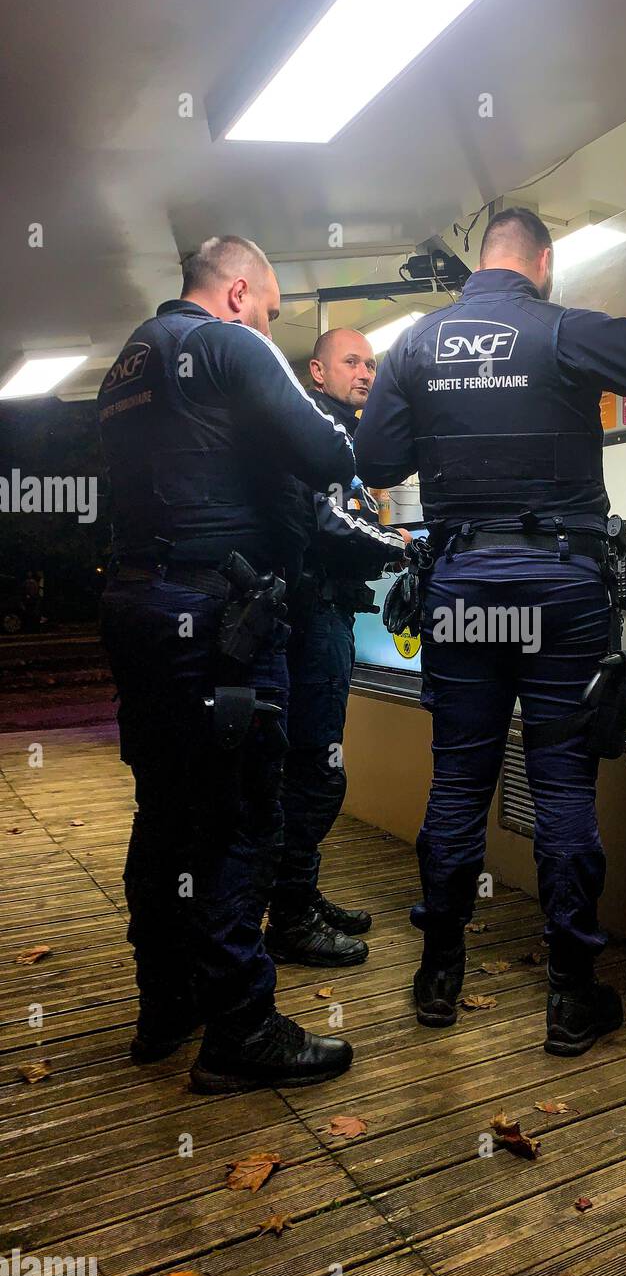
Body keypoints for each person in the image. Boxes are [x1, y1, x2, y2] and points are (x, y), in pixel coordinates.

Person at [354, 207, 626, 1055]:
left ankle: (438, 977)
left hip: (463, 586)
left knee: (456, 786)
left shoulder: (413, 346)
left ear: (481, 262)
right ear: (543, 263)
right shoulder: (563, 330)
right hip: (559, 585)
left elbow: (376, 463)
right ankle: (569, 995)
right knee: (560, 789)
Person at [98, 235, 358, 1093]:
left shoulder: (124, 370)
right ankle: (240, 1028)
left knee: (167, 815)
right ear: (239, 291)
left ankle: (166, 1005)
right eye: (274, 312)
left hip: (139, 608)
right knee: (243, 819)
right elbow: (330, 453)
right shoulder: (226, 343)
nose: (271, 327)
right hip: (219, 623)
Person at [265, 329, 408, 966]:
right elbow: (329, 523)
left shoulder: (339, 435)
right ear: (317, 372)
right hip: (314, 618)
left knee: (312, 767)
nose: (366, 374)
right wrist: (398, 544)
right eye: (352, 362)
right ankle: (291, 915)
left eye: (372, 364)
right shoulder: (317, 432)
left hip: (329, 616)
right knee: (317, 771)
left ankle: (299, 893)